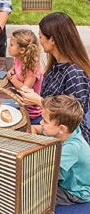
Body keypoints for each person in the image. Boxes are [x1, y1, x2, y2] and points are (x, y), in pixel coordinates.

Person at [20, 12, 90, 143]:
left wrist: (39, 101)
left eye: (40, 37)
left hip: (64, 143)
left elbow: (74, 120)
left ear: (52, 40)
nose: (39, 40)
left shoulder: (74, 74)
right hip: (49, 129)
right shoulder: (55, 64)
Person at [32, 95, 90, 205]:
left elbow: (40, 170)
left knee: (30, 196)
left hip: (75, 191)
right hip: (63, 175)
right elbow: (34, 128)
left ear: (61, 128)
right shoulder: (66, 131)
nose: (41, 123)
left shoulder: (72, 148)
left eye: (45, 121)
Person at [7, 29, 43, 124]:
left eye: (11, 45)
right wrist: (12, 70)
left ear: (22, 50)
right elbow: (16, 66)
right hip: (18, 101)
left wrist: (14, 80)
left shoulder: (32, 67)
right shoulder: (19, 57)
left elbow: (25, 89)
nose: (8, 47)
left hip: (30, 112)